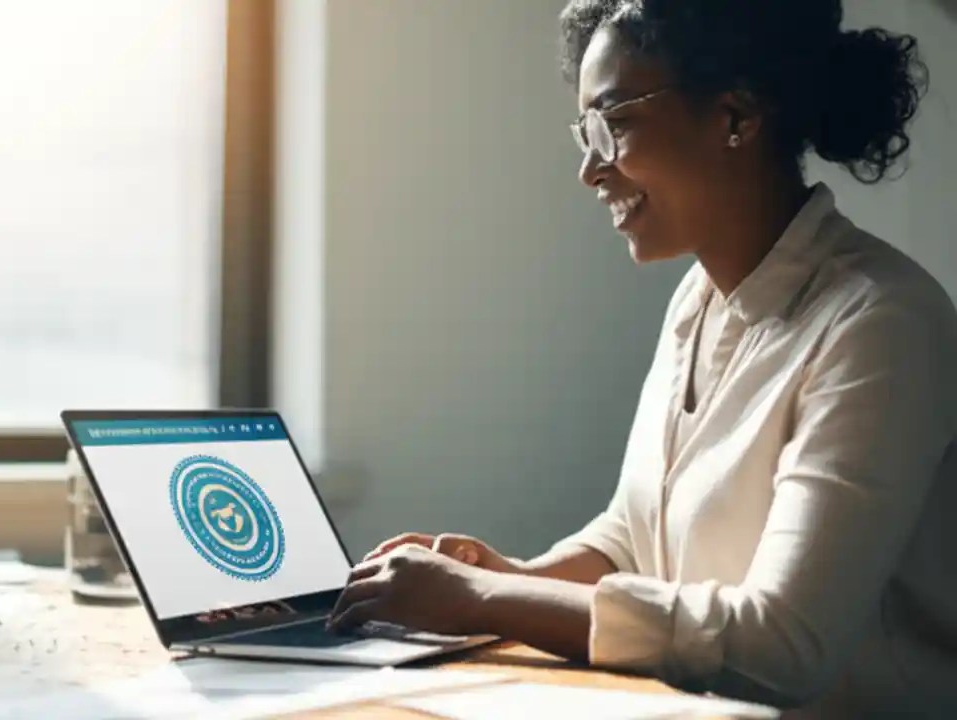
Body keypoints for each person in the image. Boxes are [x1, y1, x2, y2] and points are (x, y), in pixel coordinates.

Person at [329, 0, 956, 715]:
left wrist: (483, 598)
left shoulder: (880, 322)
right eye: (585, 133)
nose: (589, 170)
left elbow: (782, 644)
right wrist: (516, 575)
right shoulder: (698, 300)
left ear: (735, 117)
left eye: (614, 123)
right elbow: (635, 537)